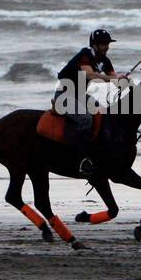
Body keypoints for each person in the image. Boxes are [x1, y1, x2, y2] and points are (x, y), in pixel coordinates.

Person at [53, 29, 123, 176]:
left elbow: (114, 80)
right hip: (64, 95)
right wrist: (113, 79)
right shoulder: (85, 55)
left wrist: (123, 80)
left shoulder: (105, 60)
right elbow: (90, 74)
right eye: (104, 44)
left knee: (104, 113)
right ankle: (82, 160)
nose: (107, 47)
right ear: (95, 45)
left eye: (108, 43)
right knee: (86, 119)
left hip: (80, 95)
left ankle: (100, 151)